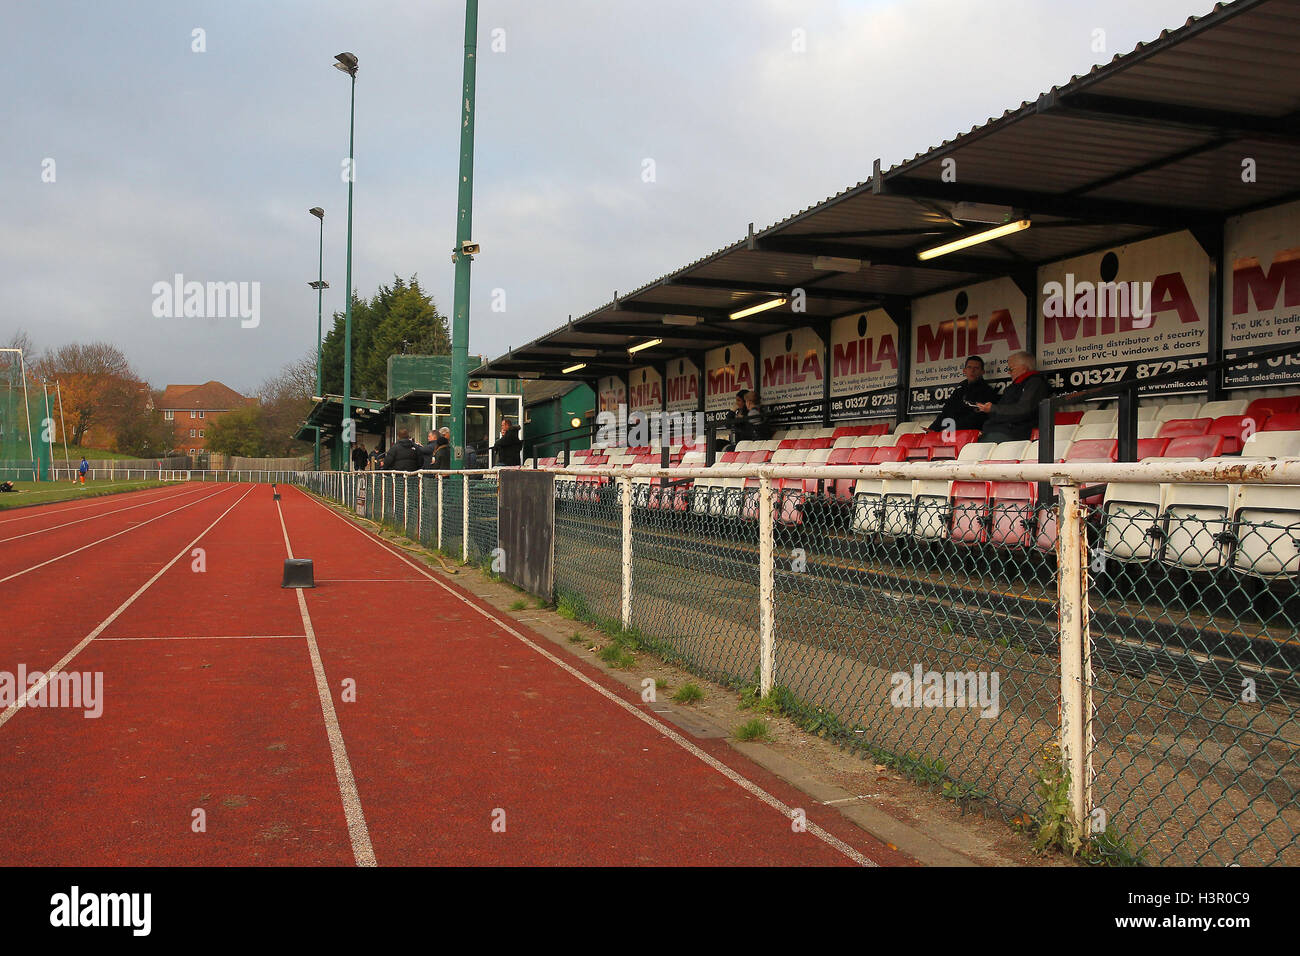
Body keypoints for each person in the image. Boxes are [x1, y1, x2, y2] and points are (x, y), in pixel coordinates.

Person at [976, 351, 1052, 443]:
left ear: (1024, 368)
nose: (1009, 372)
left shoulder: (1035, 383)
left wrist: (994, 408)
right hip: (1001, 430)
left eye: (1011, 369)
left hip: (1018, 433)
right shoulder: (1014, 386)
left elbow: (1023, 410)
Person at [927, 356, 997, 433]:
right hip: (950, 432)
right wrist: (932, 429)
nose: (972, 371)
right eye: (969, 367)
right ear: (964, 370)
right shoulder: (960, 389)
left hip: (970, 433)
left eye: (976, 368)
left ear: (982, 372)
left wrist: (951, 428)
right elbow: (946, 411)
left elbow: (977, 418)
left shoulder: (987, 391)